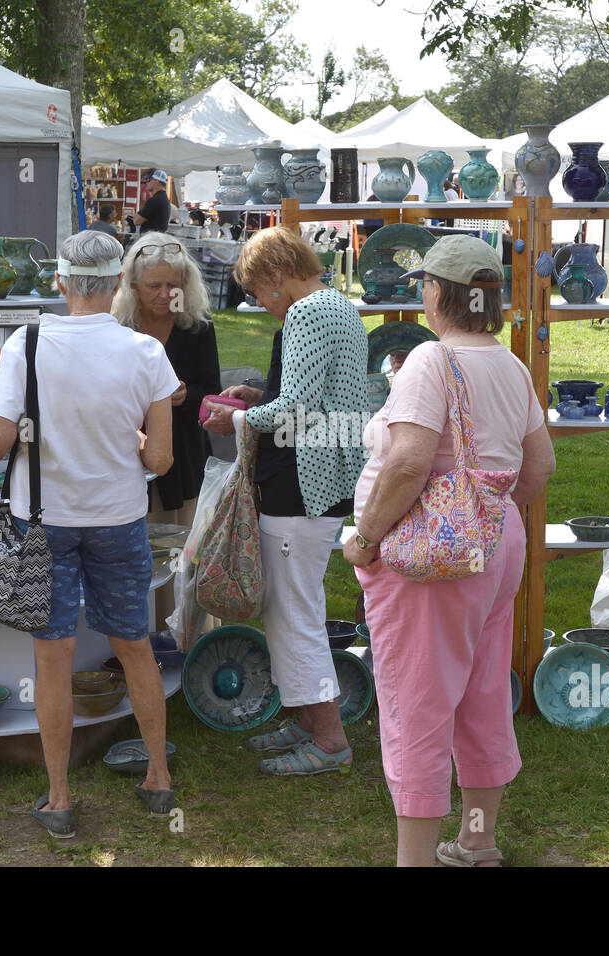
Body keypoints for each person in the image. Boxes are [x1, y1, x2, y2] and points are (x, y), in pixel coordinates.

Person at [343, 234, 554, 867]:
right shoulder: (511, 364)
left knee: (417, 705)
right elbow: (539, 467)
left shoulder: (430, 363)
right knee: (483, 694)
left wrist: (367, 539)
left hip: (432, 559)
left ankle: (414, 860)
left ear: (437, 292)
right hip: (494, 545)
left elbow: (407, 465)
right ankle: (477, 841)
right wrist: (490, 519)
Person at [0, 230, 179, 837]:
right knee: (133, 645)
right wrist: (136, 442)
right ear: (118, 282)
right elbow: (163, 463)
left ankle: (61, 797)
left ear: (61, 282)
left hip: (41, 520)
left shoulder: (27, 342)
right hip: (118, 517)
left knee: (53, 657)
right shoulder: (146, 352)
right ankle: (157, 779)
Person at [201, 227, 370, 776]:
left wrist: (240, 418)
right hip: (317, 481)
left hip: (302, 484)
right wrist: (261, 396)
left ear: (275, 275)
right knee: (294, 608)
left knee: (295, 614)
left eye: (258, 292)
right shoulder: (338, 305)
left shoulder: (306, 312)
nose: (260, 304)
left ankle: (329, 739)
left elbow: (297, 409)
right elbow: (310, 396)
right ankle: (304, 721)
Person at [111, 232, 222, 630]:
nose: (164, 293)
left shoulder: (196, 327)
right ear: (133, 286)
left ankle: (189, 640)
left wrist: (186, 395)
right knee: (141, 551)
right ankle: (145, 636)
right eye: (154, 285)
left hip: (184, 456)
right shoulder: (119, 326)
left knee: (182, 552)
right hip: (129, 459)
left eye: (173, 285)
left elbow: (211, 392)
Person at [134, 169, 172, 234]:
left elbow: (136, 221)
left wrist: (135, 215)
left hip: (150, 240)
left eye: (149, 180)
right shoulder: (164, 198)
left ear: (156, 181)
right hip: (157, 239)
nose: (146, 183)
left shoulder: (155, 200)